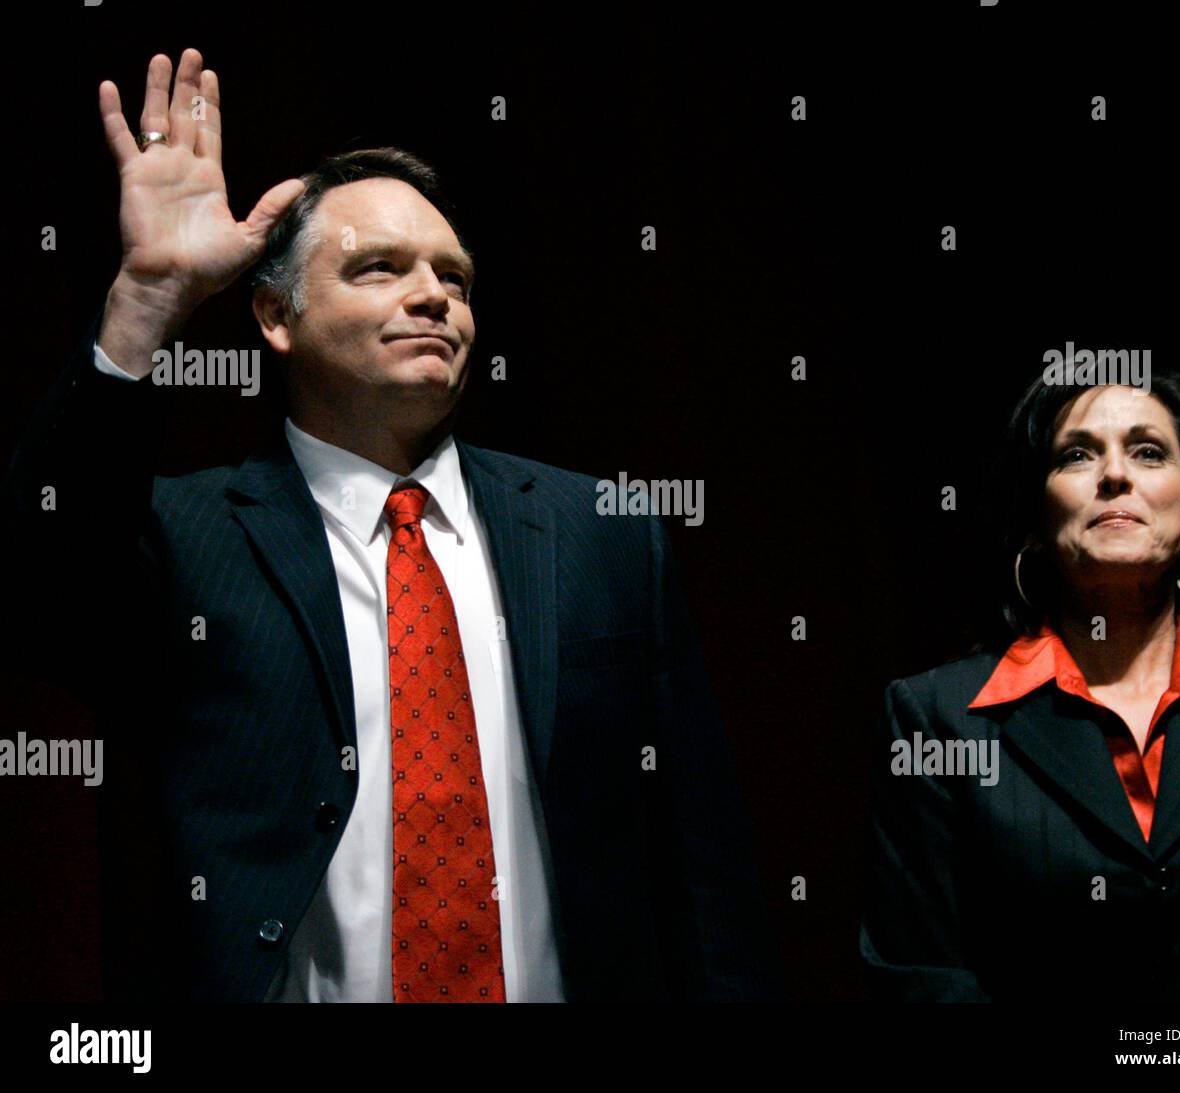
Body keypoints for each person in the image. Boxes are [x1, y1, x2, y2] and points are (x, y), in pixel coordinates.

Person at [2, 47, 777, 1003]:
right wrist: (147, 302)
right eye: (378, 268)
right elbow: (35, 594)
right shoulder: (186, 531)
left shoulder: (598, 529)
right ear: (274, 316)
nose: (433, 298)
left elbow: (701, 862)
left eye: (454, 279)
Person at [859, 366, 1180, 1003]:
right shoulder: (935, 720)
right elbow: (922, 979)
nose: (1115, 474)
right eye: (1076, 455)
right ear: (1036, 524)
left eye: (1149, 451)